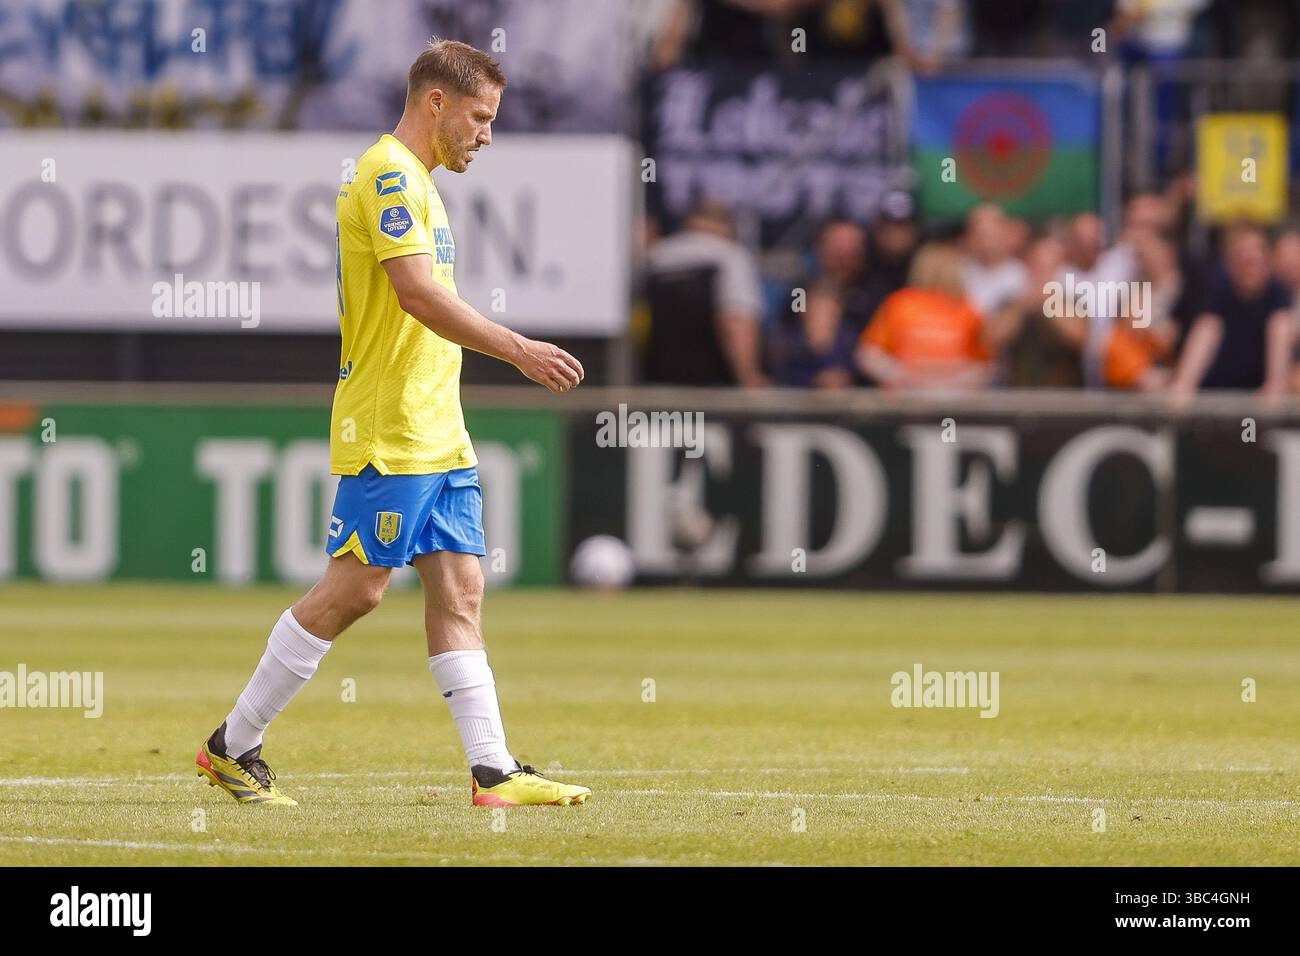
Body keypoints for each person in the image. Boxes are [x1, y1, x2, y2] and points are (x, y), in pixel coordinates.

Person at [195, 39, 592, 809]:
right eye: (479, 117)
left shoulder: (423, 183)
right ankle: (232, 745)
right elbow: (415, 294)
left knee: (462, 586)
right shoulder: (384, 173)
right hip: (389, 425)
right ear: (435, 101)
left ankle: (494, 772)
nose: (487, 134)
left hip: (438, 426)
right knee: (356, 590)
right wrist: (517, 349)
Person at [642, 199, 769, 386]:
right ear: (727, 226)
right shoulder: (730, 257)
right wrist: (749, 377)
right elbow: (734, 321)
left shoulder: (655, 258)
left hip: (656, 387)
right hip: (712, 393)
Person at [1169, 222, 1294, 398]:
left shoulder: (1278, 296)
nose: (1249, 267)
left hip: (1257, 393)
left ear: (1268, 262)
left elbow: (1279, 338)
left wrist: (1274, 387)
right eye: (1243, 260)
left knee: (1280, 325)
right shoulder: (1219, 292)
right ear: (1230, 264)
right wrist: (1183, 386)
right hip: (1215, 388)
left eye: (1254, 261)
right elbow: (1206, 332)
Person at [855, 242, 992, 391]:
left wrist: (904, 376)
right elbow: (984, 366)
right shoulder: (968, 308)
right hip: (925, 396)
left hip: (930, 396)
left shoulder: (901, 304)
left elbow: (868, 355)